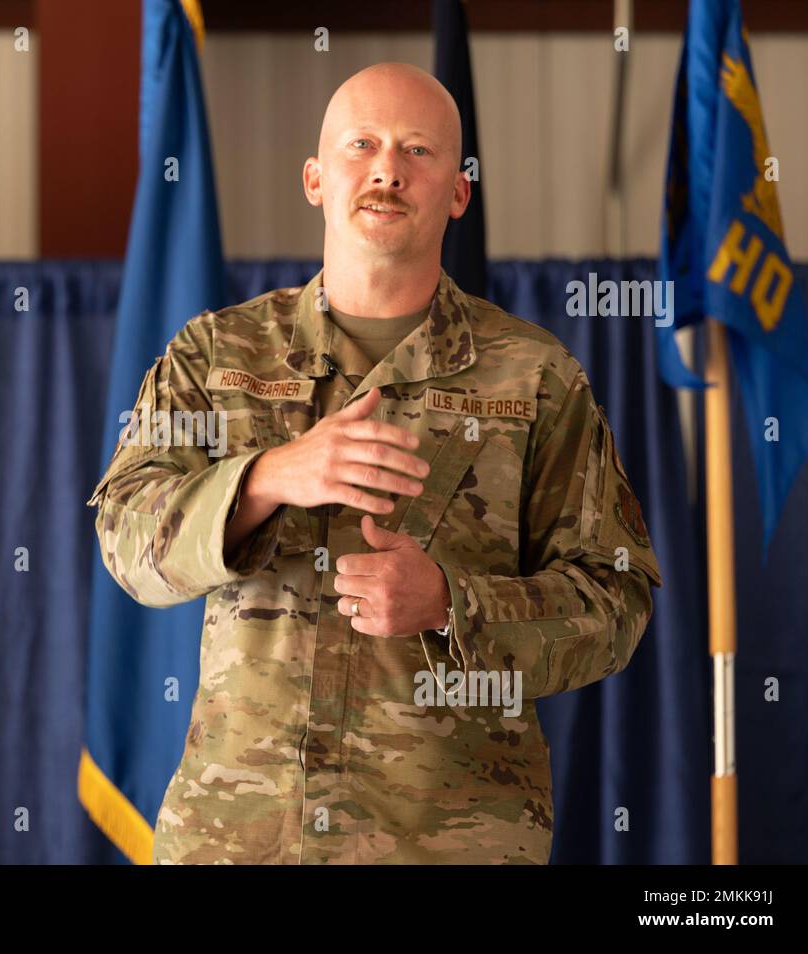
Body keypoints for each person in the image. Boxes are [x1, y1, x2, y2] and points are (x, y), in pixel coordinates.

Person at [87, 62, 662, 864]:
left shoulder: (534, 378)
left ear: (459, 192)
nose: (388, 168)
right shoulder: (214, 355)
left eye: (419, 151)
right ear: (316, 179)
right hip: (242, 837)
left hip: (449, 840)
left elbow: (616, 599)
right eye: (362, 144)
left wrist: (454, 604)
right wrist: (271, 476)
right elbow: (125, 541)